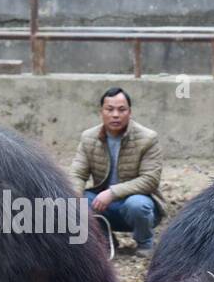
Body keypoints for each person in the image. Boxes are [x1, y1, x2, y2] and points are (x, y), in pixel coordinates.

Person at [69, 87, 167, 258]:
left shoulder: (148, 138)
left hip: (139, 206)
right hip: (103, 205)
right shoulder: (88, 138)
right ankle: (106, 241)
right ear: (102, 112)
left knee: (137, 204)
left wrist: (112, 192)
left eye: (121, 110)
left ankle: (145, 242)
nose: (115, 115)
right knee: (79, 201)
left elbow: (150, 179)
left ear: (130, 112)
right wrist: (74, 201)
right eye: (110, 109)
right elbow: (77, 174)